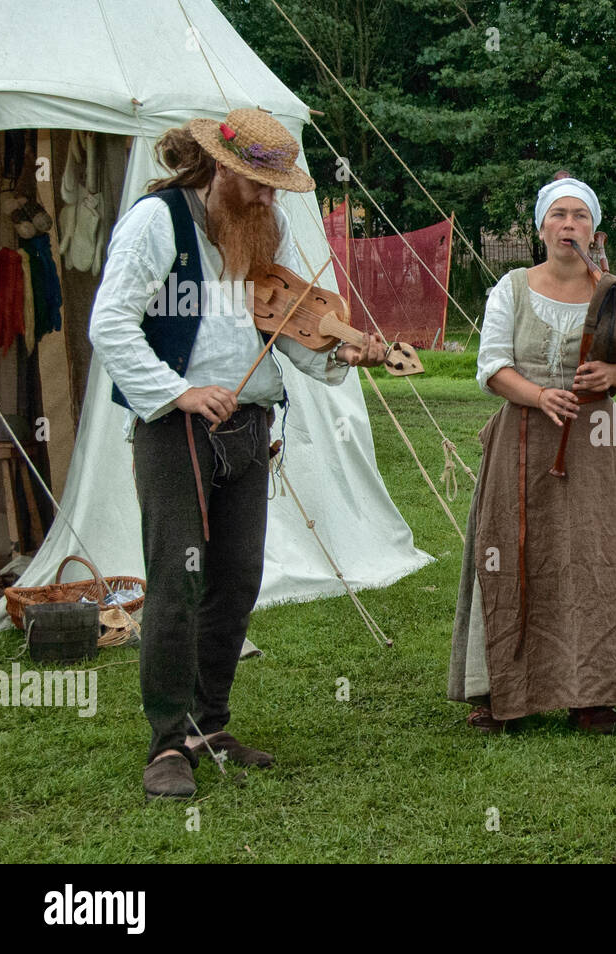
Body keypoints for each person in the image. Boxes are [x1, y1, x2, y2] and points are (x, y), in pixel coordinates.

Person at [89, 108, 388, 800]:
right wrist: (179, 393)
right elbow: (110, 323)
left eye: (275, 186)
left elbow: (277, 329)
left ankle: (208, 725)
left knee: (236, 578)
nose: (268, 197)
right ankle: (168, 744)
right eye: (258, 183)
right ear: (222, 169)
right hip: (176, 431)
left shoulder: (264, 225)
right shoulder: (156, 222)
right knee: (176, 584)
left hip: (250, 428)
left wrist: (340, 352)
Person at [448, 175, 616, 734]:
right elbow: (490, 366)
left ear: (594, 231)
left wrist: (612, 374)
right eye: (558, 216)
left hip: (597, 442)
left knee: (595, 558)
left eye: (580, 216)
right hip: (522, 443)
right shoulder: (512, 287)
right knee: (509, 553)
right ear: (540, 228)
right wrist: (537, 395)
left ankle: (595, 691)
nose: (569, 225)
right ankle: (495, 687)